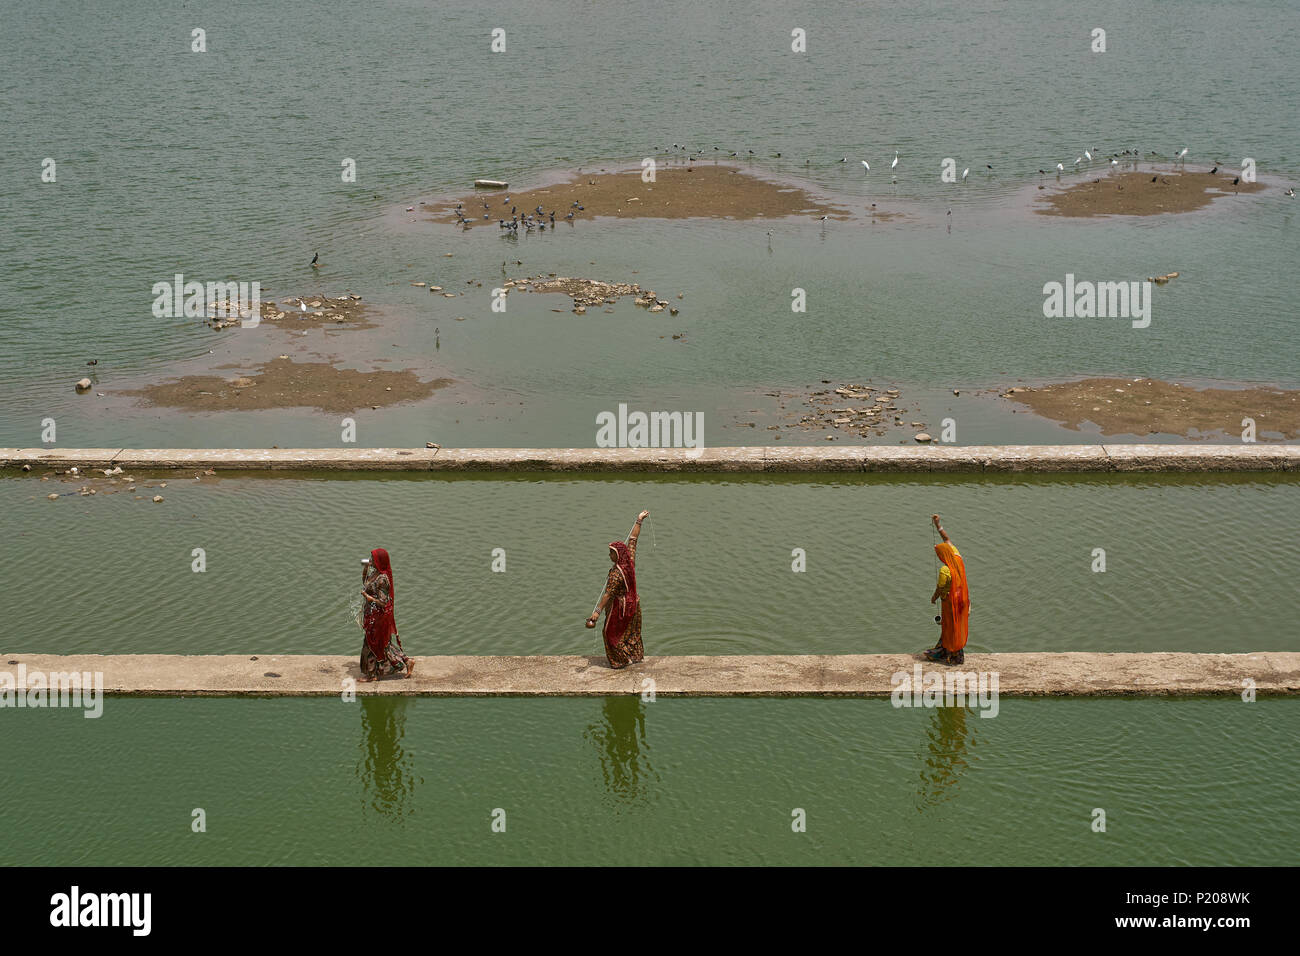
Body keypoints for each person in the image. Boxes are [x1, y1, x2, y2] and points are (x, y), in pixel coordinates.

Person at [586, 511, 649, 669]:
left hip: (621, 608)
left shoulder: (616, 574)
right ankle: (632, 657)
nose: (609, 556)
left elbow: (608, 594)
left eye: (611, 553)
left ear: (617, 555)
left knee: (610, 634)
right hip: (634, 604)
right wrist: (639, 520)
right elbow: (633, 540)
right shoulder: (630, 561)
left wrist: (596, 613)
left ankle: (620, 661)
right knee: (631, 633)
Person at [360, 548, 414, 681]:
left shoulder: (382, 579)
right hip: (372, 615)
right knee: (382, 644)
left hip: (378, 616)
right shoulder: (374, 574)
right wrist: (365, 569)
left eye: (373, 559)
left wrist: (369, 598)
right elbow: (365, 583)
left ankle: (371, 675)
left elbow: (383, 602)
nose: (370, 560)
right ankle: (407, 661)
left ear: (379, 561)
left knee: (371, 643)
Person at [924, 514, 970, 665]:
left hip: (950, 602)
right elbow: (947, 540)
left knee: (950, 627)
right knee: (958, 626)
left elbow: (940, 588)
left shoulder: (946, 570)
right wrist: (938, 525)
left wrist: (933, 598)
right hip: (963, 599)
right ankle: (957, 654)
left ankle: (949, 655)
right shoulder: (956, 556)